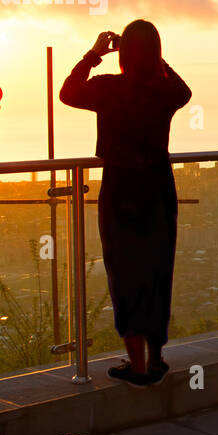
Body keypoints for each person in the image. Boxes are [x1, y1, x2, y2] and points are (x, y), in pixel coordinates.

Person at [60, 20, 192, 387]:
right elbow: (185, 91)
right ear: (157, 53)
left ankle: (137, 365)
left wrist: (95, 54)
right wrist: (158, 62)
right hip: (158, 188)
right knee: (156, 272)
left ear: (122, 53)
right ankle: (156, 360)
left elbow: (67, 94)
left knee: (126, 274)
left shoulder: (108, 88)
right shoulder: (164, 91)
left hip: (121, 189)